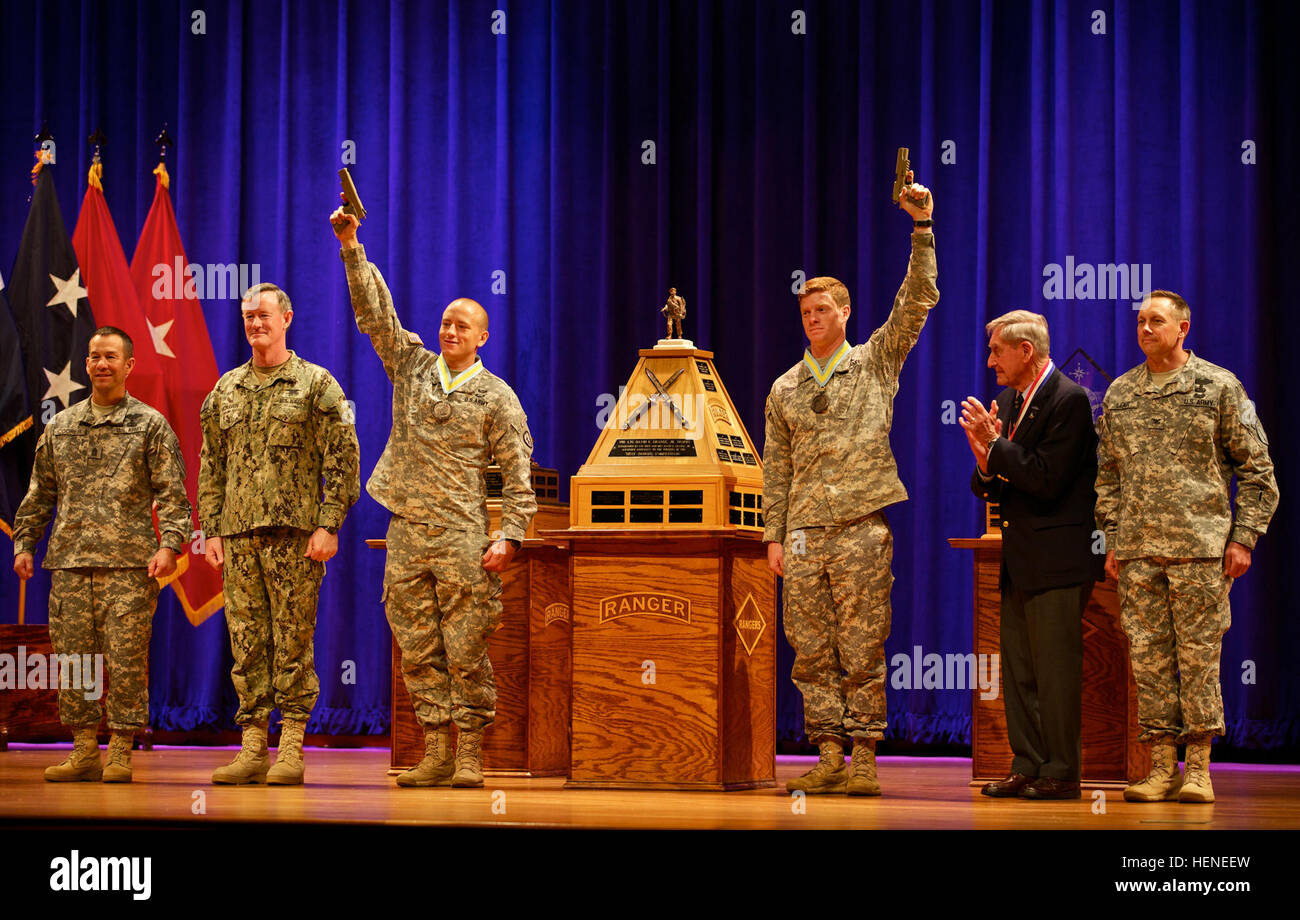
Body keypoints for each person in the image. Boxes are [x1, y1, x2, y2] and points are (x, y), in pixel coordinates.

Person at [330, 206, 537, 788]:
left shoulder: (498, 398)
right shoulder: (412, 366)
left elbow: (518, 473)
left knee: (466, 646)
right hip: (407, 533)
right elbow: (376, 317)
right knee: (417, 648)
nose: (449, 331)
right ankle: (437, 750)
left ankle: (470, 752)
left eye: (461, 326)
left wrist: (510, 534)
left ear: (482, 337)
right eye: (445, 322)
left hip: (464, 537)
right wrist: (352, 249)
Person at [762, 173, 937, 795]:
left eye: (823, 310)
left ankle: (864, 756)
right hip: (804, 532)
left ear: (845, 313)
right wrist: (773, 538)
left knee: (863, 642)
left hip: (862, 523)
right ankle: (829, 754)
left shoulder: (876, 360)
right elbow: (775, 469)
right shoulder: (784, 387)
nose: (813, 318)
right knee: (809, 647)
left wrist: (921, 229)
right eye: (805, 312)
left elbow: (916, 302)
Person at [1096, 290, 1277, 804]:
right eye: (1140, 322)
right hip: (1137, 553)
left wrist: (1243, 538)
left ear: (1183, 329)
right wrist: (1113, 539)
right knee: (1149, 662)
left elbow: (1259, 472)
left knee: (1198, 661)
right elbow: (1108, 476)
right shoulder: (1120, 394)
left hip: (1200, 551)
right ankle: (1160, 768)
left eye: (1157, 321)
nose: (1146, 329)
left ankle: (1198, 768)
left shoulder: (1219, 387)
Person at [13, 327, 190, 783]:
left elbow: (173, 496)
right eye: (94, 357)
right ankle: (85, 748)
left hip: (130, 567)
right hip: (70, 564)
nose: (102, 364)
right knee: (75, 660)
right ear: (86, 364)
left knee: (126, 659)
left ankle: (123, 751)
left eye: (111, 356)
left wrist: (170, 546)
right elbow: (39, 494)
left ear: (129, 365)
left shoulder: (150, 425)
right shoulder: (61, 426)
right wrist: (24, 543)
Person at [198, 283, 360, 785]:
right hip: (239, 536)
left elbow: (344, 459)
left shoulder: (316, 385)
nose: (255, 324)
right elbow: (211, 467)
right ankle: (252, 747)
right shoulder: (224, 390)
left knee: (292, 642)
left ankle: (291, 746)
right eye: (248, 316)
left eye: (264, 315)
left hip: (296, 538)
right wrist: (212, 531)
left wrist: (329, 523)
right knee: (246, 644)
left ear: (286, 318)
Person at [959, 311, 1102, 800]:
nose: (990, 360)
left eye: (997, 350)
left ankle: (1061, 771)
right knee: (1019, 671)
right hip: (1020, 560)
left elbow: (1045, 478)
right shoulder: (1008, 400)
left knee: (1054, 672)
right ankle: (1027, 765)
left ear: (1026, 351)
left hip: (1059, 560)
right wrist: (984, 462)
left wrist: (995, 446)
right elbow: (996, 486)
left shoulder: (1070, 400)